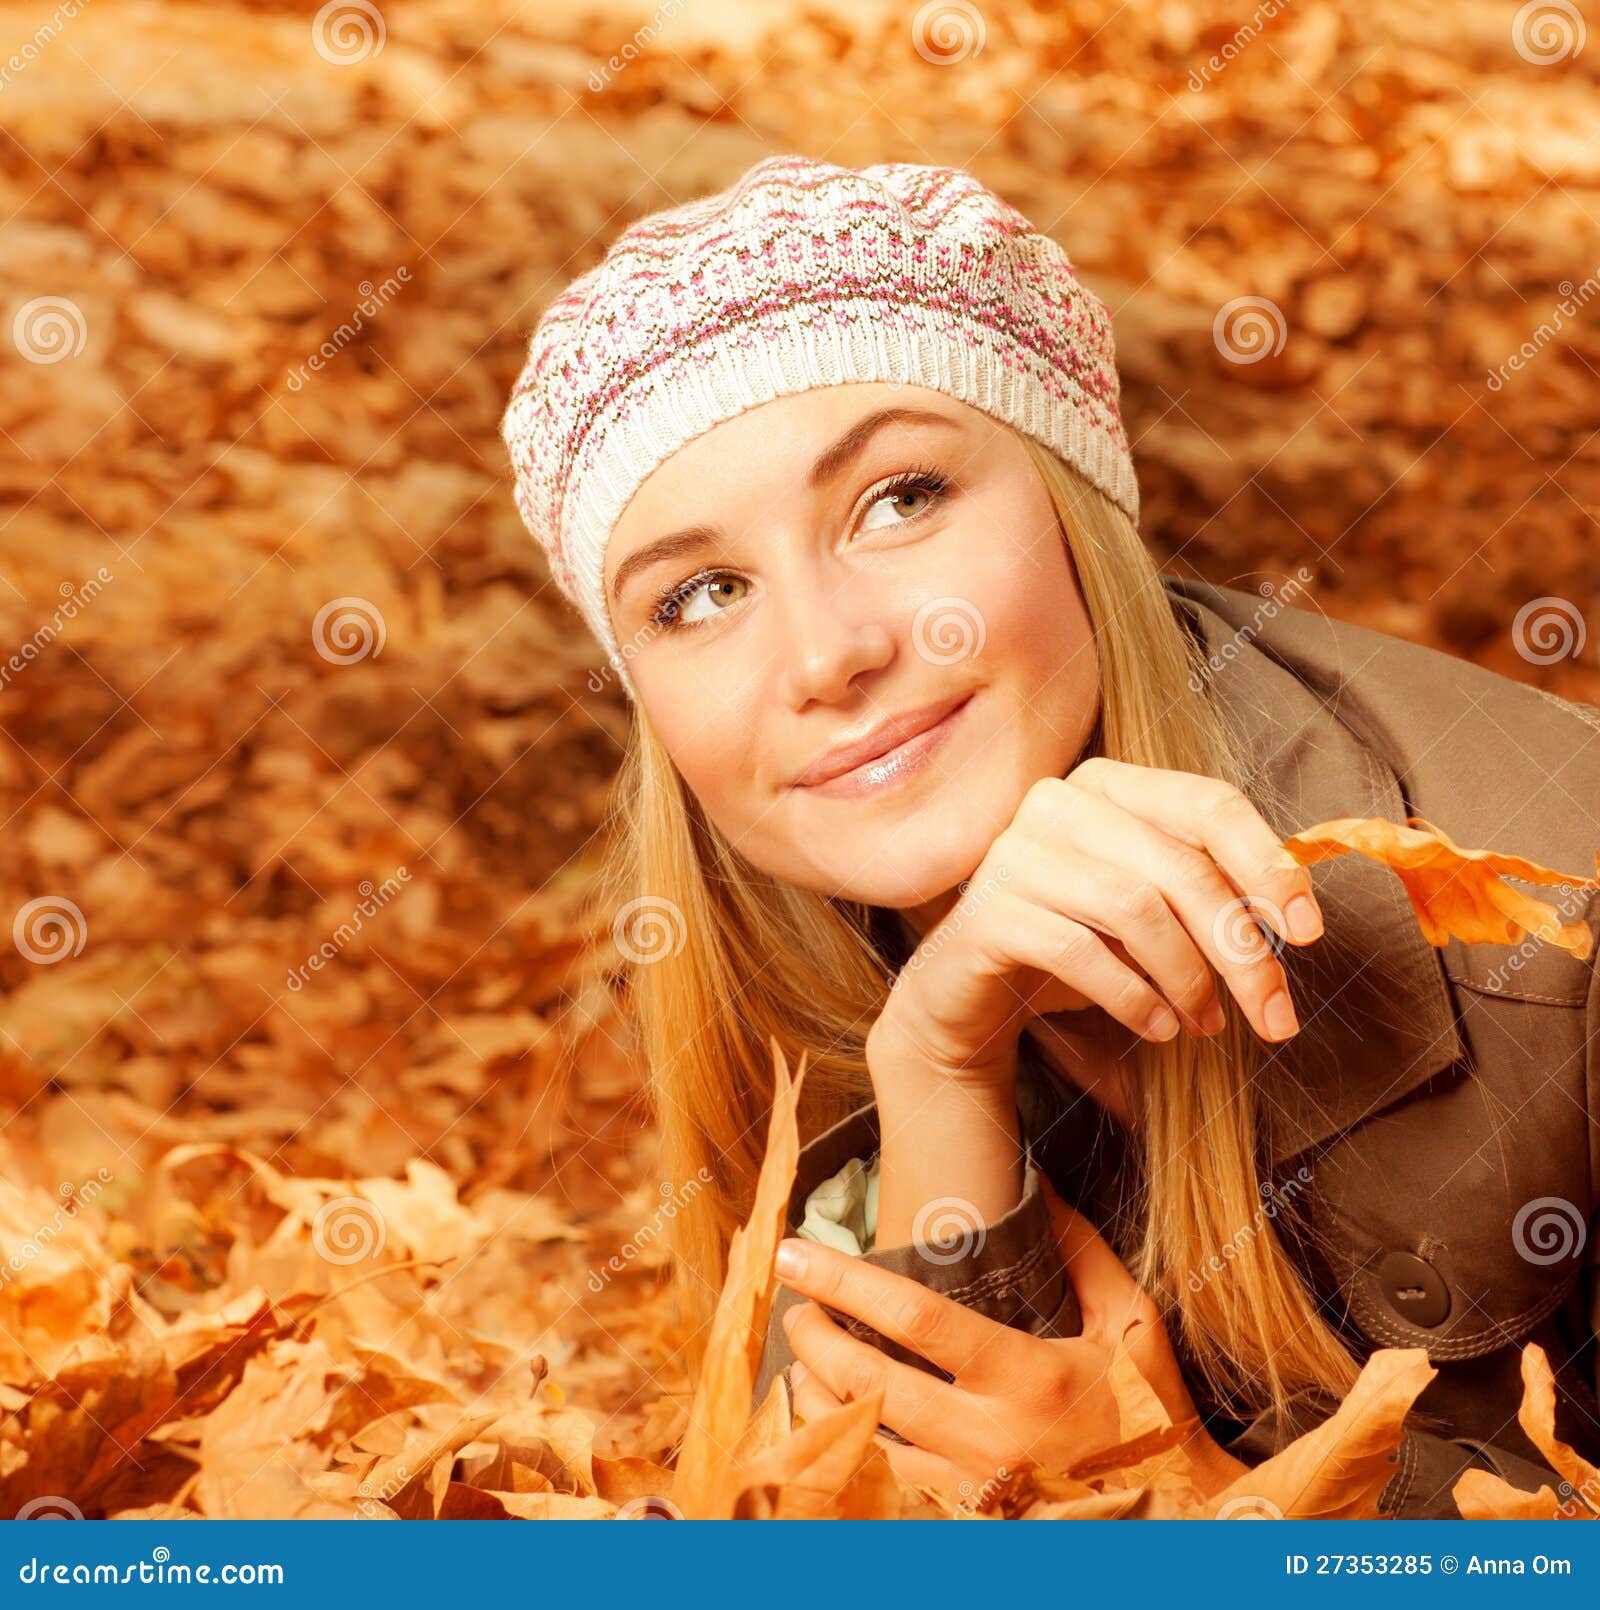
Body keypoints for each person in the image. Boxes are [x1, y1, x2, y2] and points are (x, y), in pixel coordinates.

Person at [500, 153, 1600, 1519]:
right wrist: (936, 1070)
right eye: (701, 594)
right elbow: (872, 1536)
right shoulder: (795, 959)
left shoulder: (1563, 923)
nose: (827, 655)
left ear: (1080, 504)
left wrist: (1202, 1515)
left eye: (900, 499)